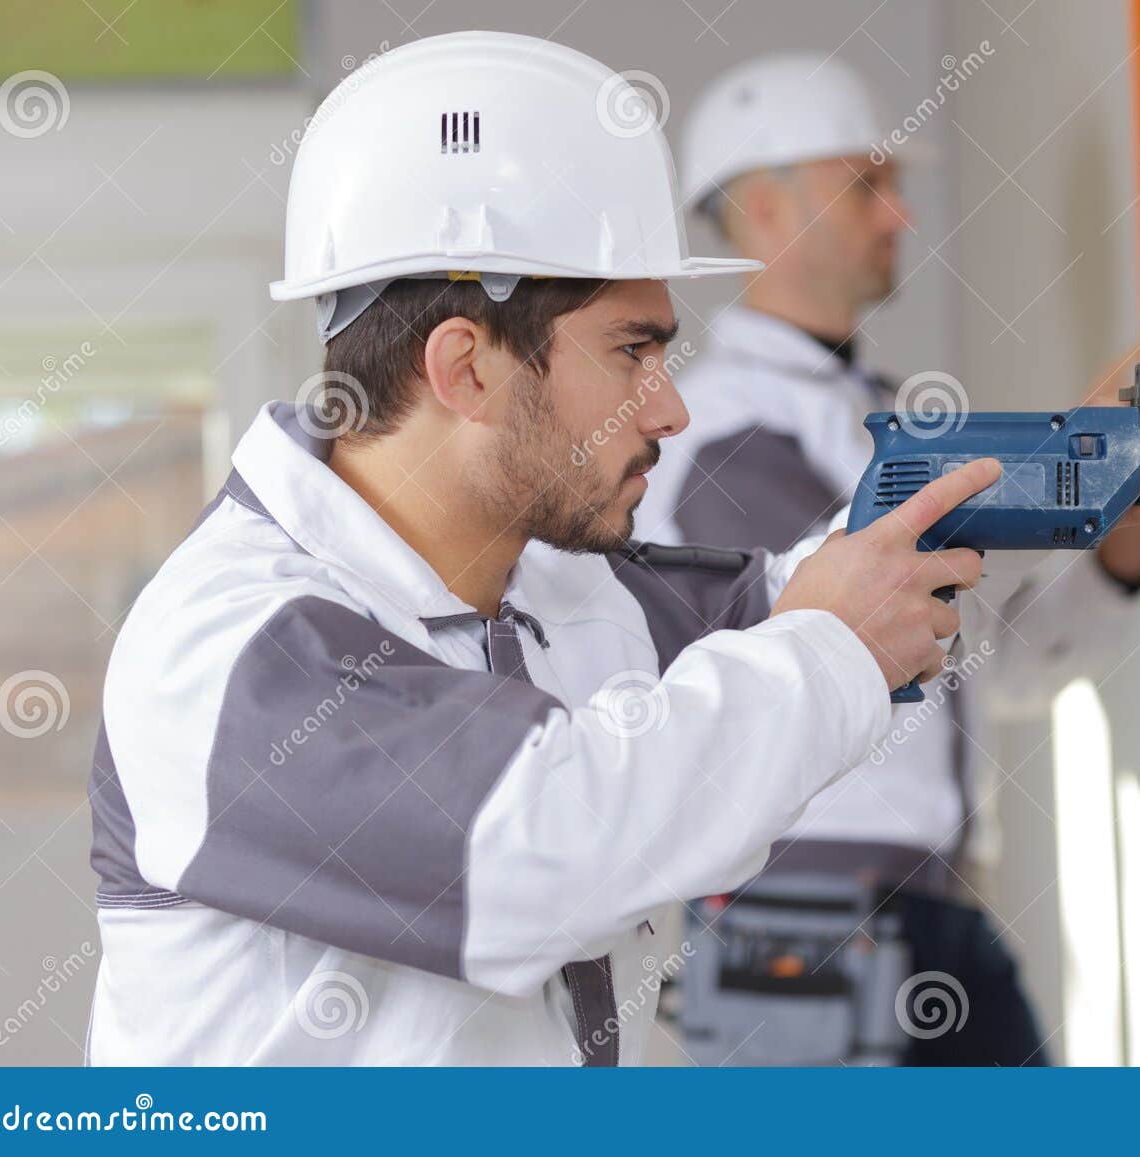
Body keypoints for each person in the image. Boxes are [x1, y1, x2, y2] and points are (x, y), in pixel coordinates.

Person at [83, 32, 1000, 1067]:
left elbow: (797, 600)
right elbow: (536, 847)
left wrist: (1033, 481)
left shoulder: (565, 593)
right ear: (466, 369)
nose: (670, 408)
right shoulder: (225, 650)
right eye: (631, 351)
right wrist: (831, 649)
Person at [637, 54, 1140, 1066]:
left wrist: (1117, 555)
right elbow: (850, 619)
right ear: (763, 210)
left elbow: (989, 666)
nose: (899, 215)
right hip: (800, 912)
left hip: (932, 905)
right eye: (865, 185)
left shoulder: (882, 417)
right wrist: (1065, 460)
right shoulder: (715, 430)